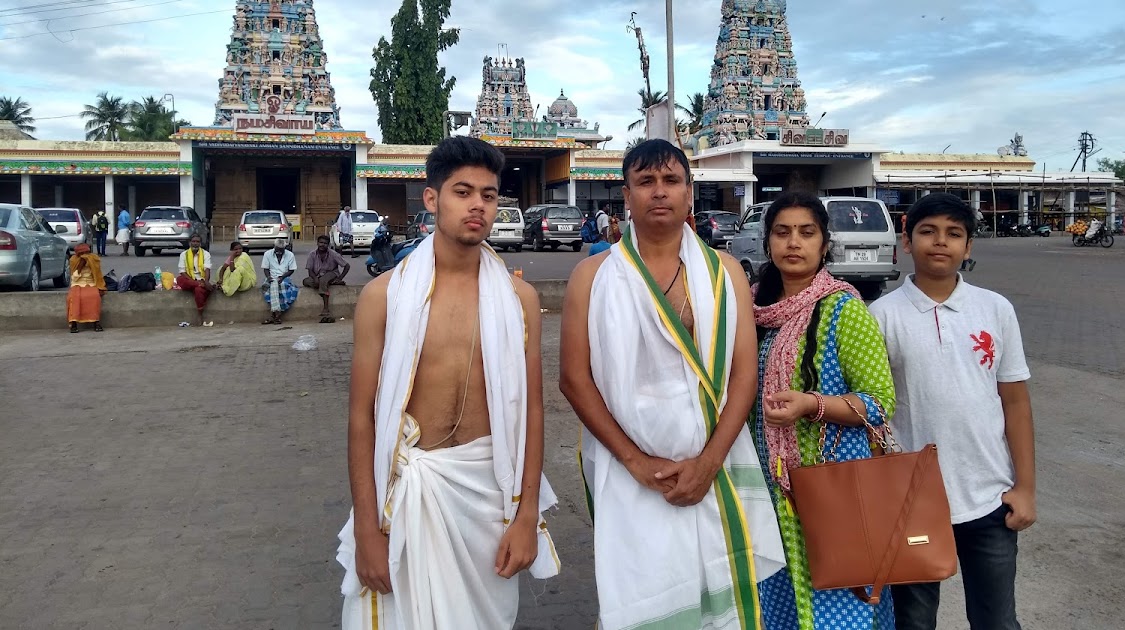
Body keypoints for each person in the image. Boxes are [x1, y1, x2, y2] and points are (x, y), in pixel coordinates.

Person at [560, 139, 786, 629]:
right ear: (627, 195)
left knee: (720, 606)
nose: (659, 192)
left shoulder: (724, 272)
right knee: (643, 601)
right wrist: (635, 461)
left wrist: (709, 462)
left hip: (716, 465)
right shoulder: (592, 277)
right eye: (646, 182)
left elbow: (744, 375)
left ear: (689, 192)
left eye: (671, 180)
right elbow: (574, 380)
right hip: (631, 473)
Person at [337, 136, 559, 629]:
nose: (478, 205)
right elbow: (362, 419)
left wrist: (526, 515)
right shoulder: (384, 297)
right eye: (463, 192)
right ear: (432, 199)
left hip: (488, 502)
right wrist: (368, 531)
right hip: (409, 501)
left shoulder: (519, 300)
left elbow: (532, 410)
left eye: (488, 194)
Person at [869, 193, 1035, 630]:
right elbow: (872, 414)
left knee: (997, 620)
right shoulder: (880, 316)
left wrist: (1025, 488)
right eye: (928, 231)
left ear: (968, 245)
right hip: (911, 500)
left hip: (990, 497)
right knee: (914, 622)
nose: (940, 242)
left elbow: (1015, 402)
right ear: (907, 241)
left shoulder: (995, 309)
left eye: (954, 233)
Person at [748, 191, 898, 628]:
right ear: (768, 243)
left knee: (839, 608)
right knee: (777, 603)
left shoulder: (843, 309)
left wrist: (811, 404)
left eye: (806, 232)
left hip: (833, 489)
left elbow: (879, 402)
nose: (794, 242)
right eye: (782, 232)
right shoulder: (753, 310)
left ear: (824, 244)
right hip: (770, 488)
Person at [304, 235, 350, 323]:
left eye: (325, 243)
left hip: (331, 273)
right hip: (317, 275)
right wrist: (315, 278)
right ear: (317, 243)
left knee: (323, 281)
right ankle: (331, 283)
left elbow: (347, 266)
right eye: (321, 242)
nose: (322, 245)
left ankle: (326, 308)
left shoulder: (333, 254)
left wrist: (340, 278)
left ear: (328, 245)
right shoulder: (312, 254)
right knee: (306, 281)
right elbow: (310, 270)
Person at [66, 243, 105, 333]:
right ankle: (73, 323)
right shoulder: (73, 260)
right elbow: (74, 278)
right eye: (83, 254)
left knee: (94, 296)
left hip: (91, 283)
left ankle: (96, 322)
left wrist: (100, 286)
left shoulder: (93, 259)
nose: (85, 256)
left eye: (87, 253)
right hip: (77, 283)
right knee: (74, 298)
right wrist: (81, 265)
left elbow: (97, 275)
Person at [176, 234, 214, 326]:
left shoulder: (205, 254)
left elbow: (207, 269)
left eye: (197, 242)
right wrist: (196, 283)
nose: (195, 243)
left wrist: (206, 281)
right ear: (190, 242)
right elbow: (182, 272)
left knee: (198, 290)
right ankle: (200, 285)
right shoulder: (184, 254)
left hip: (201, 280)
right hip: (189, 280)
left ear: (200, 244)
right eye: (193, 241)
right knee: (179, 279)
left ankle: (200, 315)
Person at [261, 238, 298, 325]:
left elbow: (291, 270)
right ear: (274, 247)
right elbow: (266, 269)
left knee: (282, 286)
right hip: (271, 277)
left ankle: (274, 314)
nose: (279, 252)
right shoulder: (267, 254)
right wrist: (269, 277)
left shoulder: (290, 255)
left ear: (285, 248)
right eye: (277, 250)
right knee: (271, 286)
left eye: (281, 250)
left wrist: (283, 277)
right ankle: (277, 314)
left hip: (284, 277)